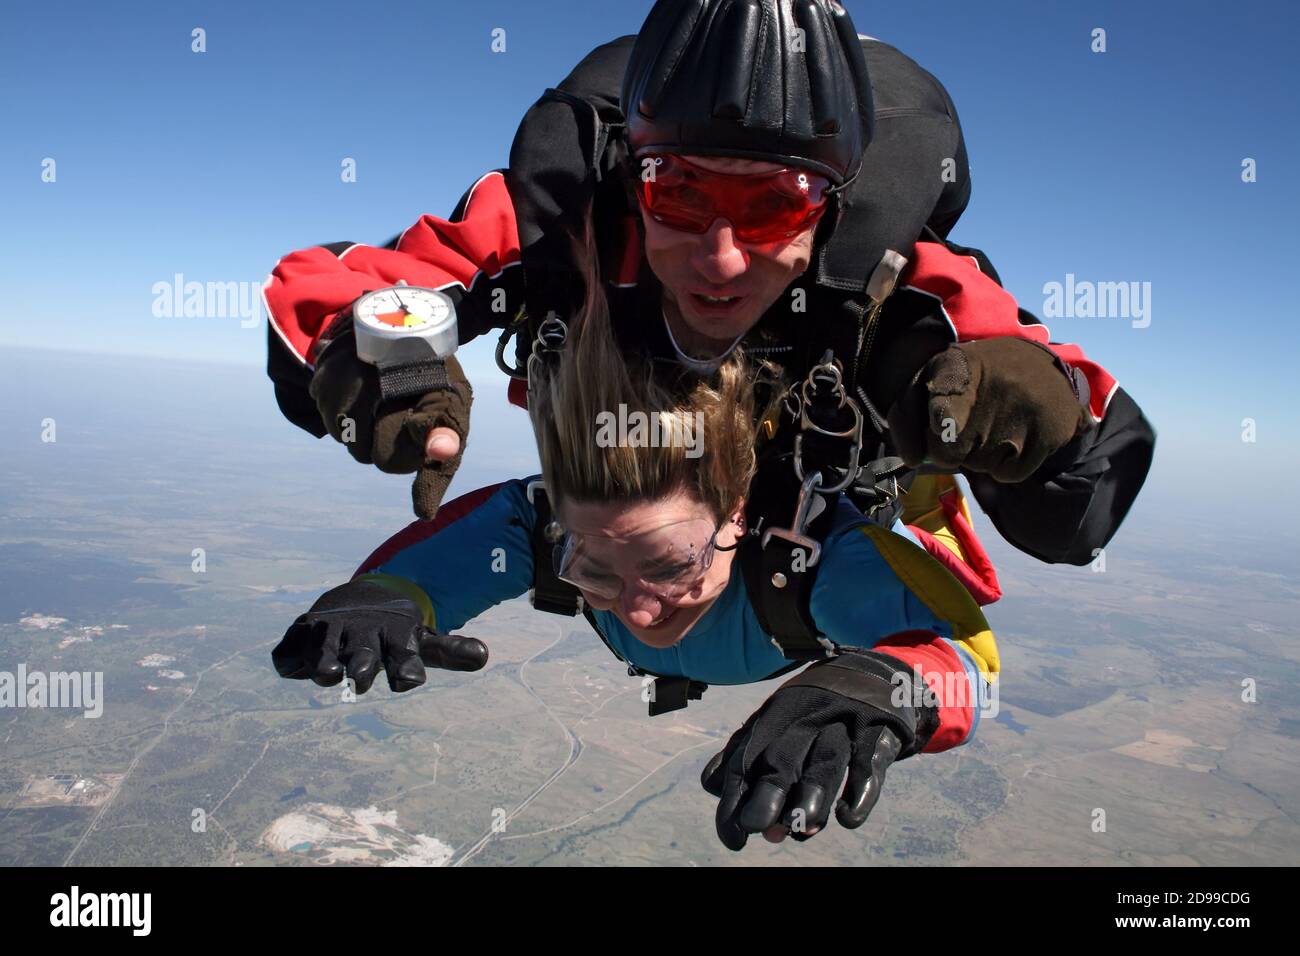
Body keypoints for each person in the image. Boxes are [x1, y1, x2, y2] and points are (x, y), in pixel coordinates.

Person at [263, 0, 1152, 565]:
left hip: (785, 530)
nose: (720, 255)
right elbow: (342, 285)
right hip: (634, 542)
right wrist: (372, 360)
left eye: (774, 203)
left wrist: (1042, 428)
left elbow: (1085, 483)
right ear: (630, 179)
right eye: (679, 192)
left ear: (833, 208)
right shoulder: (565, 220)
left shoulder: (899, 283)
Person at [271, 226, 999, 850]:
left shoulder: (812, 562)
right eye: (591, 568)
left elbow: (965, 656)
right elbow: (418, 577)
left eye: (668, 564)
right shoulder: (547, 523)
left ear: (739, 516)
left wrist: (882, 689)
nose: (639, 612)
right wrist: (381, 598)